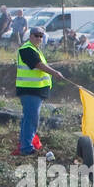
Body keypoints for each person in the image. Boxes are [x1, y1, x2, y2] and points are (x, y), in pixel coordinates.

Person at [15, 26, 66, 157]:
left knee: (30, 118)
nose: (38, 38)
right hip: (30, 90)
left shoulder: (36, 50)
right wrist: (55, 73)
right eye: (36, 35)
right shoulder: (26, 49)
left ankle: (25, 145)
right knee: (31, 119)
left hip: (36, 91)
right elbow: (37, 65)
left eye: (41, 36)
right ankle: (26, 148)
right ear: (30, 36)